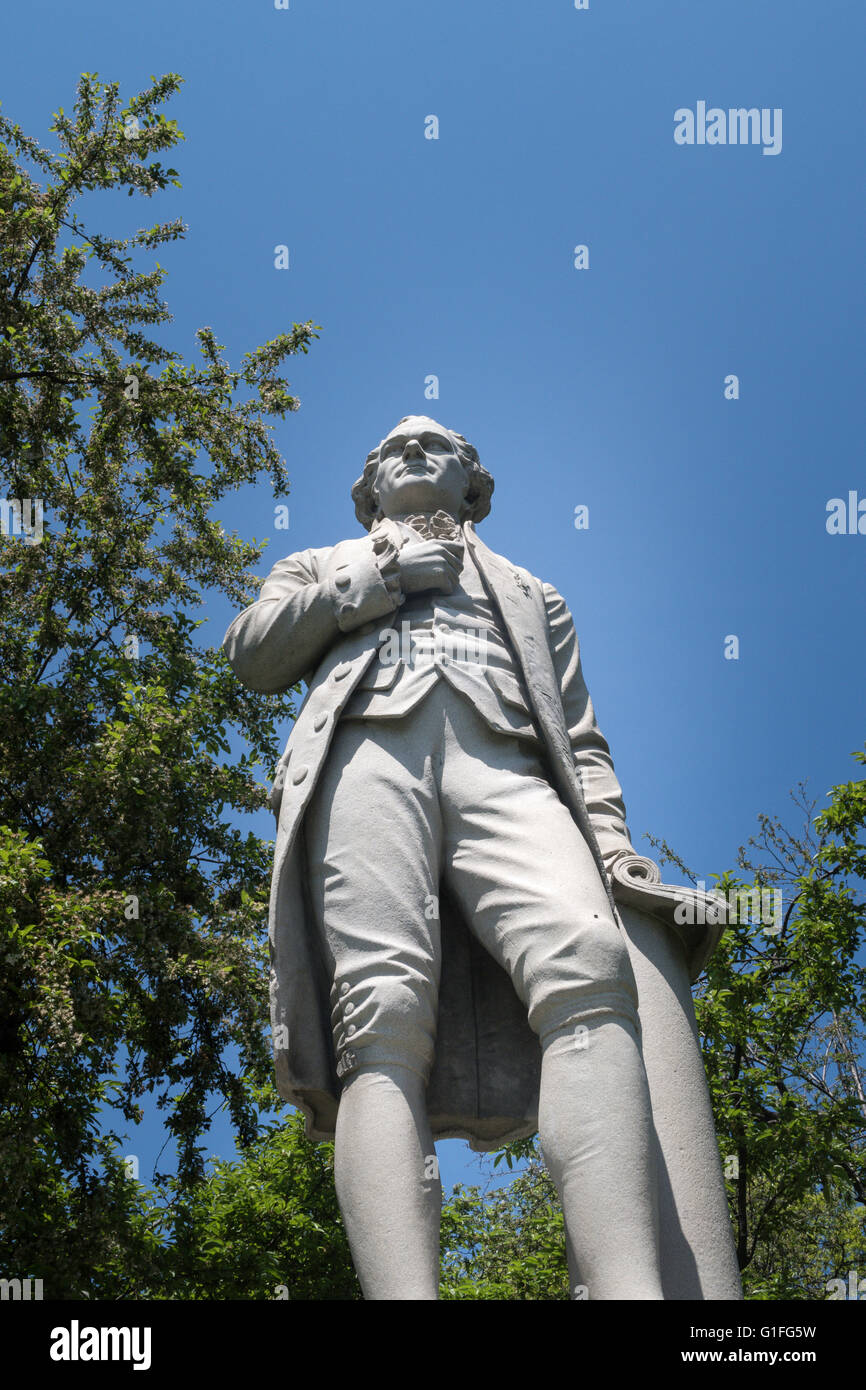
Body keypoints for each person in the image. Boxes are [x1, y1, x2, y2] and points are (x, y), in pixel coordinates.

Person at [223, 416, 664, 1299]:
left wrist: (613, 845)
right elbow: (253, 653)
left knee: (591, 962)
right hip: (368, 756)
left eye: (442, 446)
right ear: (369, 486)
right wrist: (374, 579)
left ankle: (629, 1289)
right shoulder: (317, 563)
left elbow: (580, 739)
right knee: (379, 1009)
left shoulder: (534, 594)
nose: (415, 452)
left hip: (505, 767)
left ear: (475, 483)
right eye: (393, 449)